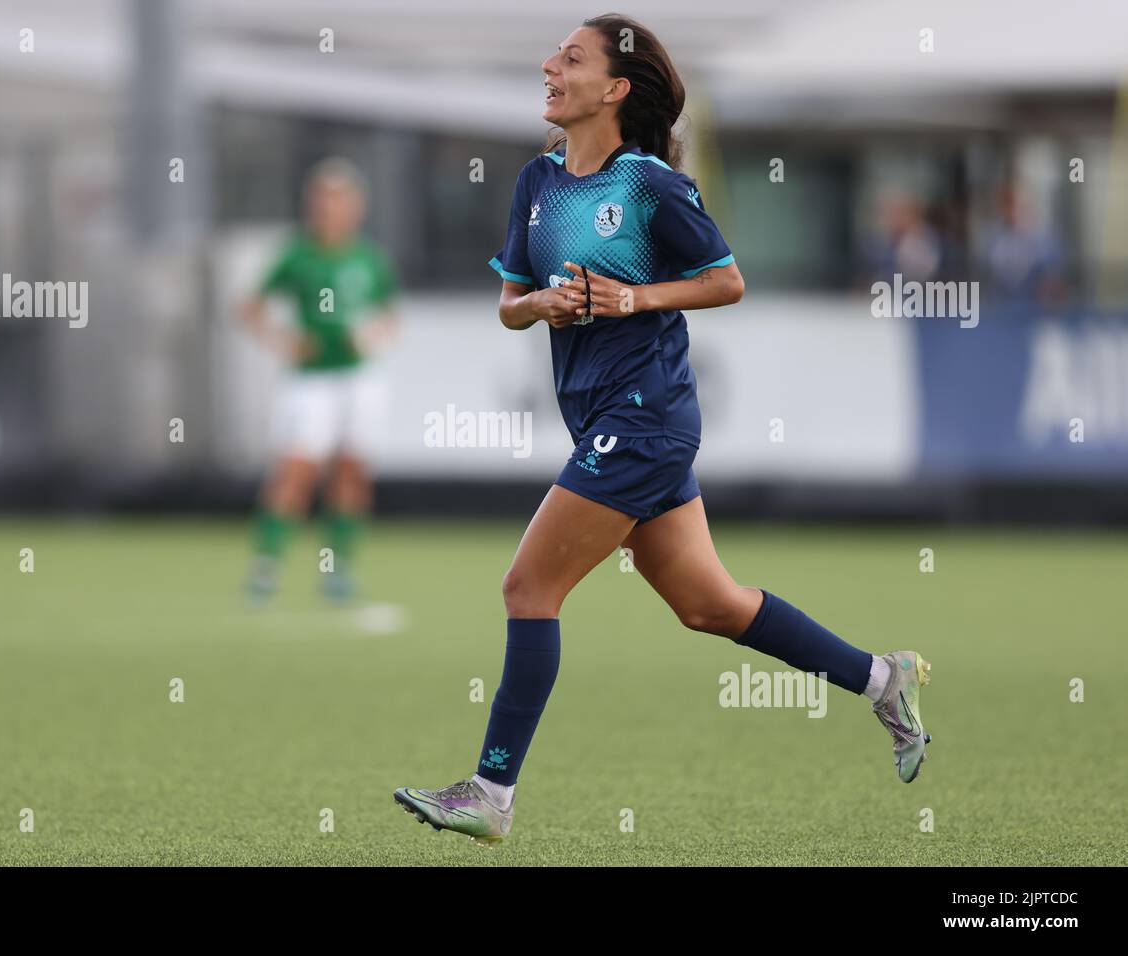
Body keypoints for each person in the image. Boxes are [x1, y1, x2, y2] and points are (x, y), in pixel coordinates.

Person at [394, 14, 931, 845]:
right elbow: (509, 307)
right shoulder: (537, 181)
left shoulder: (648, 184)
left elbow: (726, 280)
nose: (549, 66)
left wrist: (633, 297)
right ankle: (880, 678)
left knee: (528, 587)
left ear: (613, 89)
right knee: (708, 603)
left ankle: (492, 793)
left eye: (570, 59)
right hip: (604, 418)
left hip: (643, 419)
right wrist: (538, 303)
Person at [240, 158, 398, 603]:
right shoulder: (296, 254)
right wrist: (283, 340)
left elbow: (389, 318)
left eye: (339, 200)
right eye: (324, 200)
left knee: (351, 469)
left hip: (358, 378)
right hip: (310, 381)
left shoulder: (368, 258)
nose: (330, 209)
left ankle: (338, 570)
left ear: (356, 207)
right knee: (296, 469)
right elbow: (250, 307)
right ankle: (265, 568)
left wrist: (371, 338)